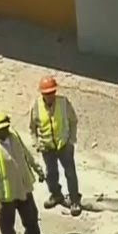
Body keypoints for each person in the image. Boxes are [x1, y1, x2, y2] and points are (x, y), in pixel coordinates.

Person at [0, 110, 47, 234]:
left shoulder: (14, 136)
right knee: (7, 224)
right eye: (1, 129)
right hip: (6, 195)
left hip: (23, 187)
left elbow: (25, 154)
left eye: (6, 127)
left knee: (31, 216)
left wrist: (37, 169)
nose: (5, 131)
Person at [28, 76, 82, 216]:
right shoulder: (36, 106)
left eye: (52, 92)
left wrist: (71, 141)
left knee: (70, 173)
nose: (50, 96)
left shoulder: (63, 103)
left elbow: (73, 121)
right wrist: (37, 144)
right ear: (42, 94)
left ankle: (74, 200)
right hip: (47, 148)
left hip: (64, 146)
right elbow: (32, 128)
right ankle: (56, 194)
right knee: (51, 174)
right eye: (47, 93)